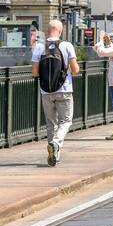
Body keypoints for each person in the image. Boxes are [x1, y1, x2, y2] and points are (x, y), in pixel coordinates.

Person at [32, 18, 79, 167]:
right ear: (60, 31)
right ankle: (56, 143)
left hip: (46, 90)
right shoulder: (67, 45)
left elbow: (34, 72)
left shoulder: (39, 47)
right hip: (64, 89)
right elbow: (76, 69)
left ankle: (55, 156)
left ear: (47, 31)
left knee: (50, 123)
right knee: (66, 121)